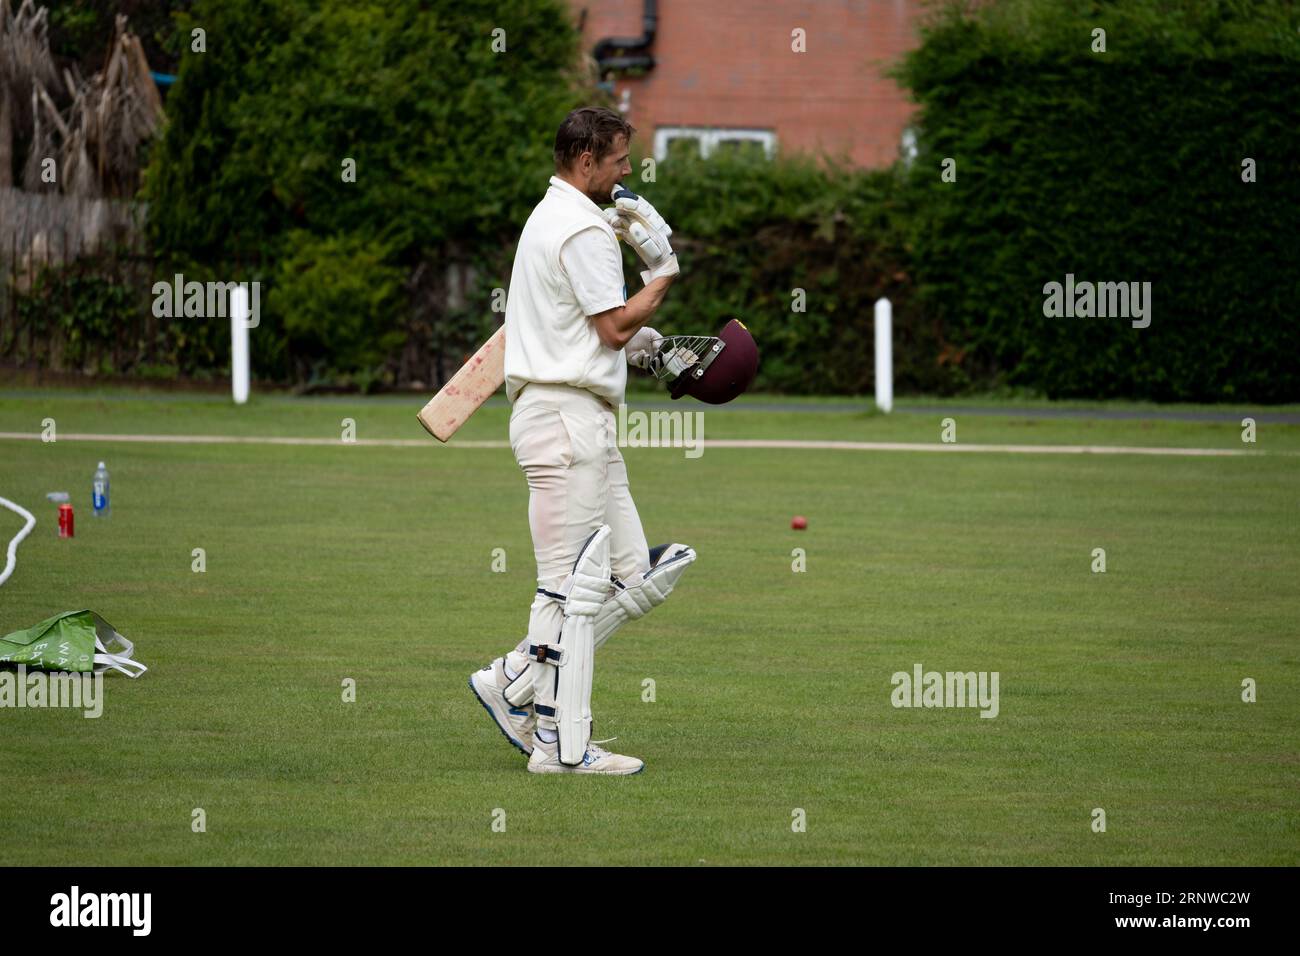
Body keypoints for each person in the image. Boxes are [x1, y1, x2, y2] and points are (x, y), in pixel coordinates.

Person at [469, 106, 696, 775]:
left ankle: (513, 680)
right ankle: (561, 748)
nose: (628, 173)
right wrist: (664, 274)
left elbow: (583, 332)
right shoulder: (580, 229)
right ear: (585, 160)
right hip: (565, 421)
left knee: (635, 575)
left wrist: (649, 348)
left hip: (576, 414)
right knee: (569, 589)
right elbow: (612, 328)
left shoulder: (556, 218)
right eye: (620, 161)